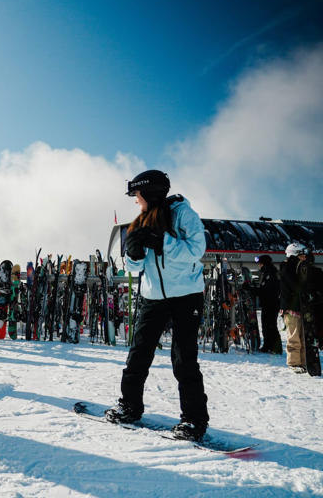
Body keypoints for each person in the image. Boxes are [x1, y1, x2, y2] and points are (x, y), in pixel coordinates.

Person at [106, 170, 209, 442]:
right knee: (138, 352)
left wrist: (162, 241)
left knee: (184, 358)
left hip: (187, 295)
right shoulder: (139, 222)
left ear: (149, 194)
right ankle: (129, 406)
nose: (135, 201)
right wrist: (135, 254)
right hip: (153, 296)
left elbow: (196, 250)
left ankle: (193, 420)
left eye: (137, 195)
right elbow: (133, 267)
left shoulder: (182, 214)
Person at [298, 249, 323, 358]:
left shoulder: (317, 272)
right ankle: (314, 346)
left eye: (303, 257)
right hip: (306, 305)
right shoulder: (299, 272)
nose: (301, 259)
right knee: (309, 329)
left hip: (318, 304)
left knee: (319, 328)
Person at [279, 243, 308, 373]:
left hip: (299, 307)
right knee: (294, 336)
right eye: (301, 254)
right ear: (295, 254)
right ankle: (294, 362)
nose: (304, 257)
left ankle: (303, 361)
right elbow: (296, 286)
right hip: (291, 308)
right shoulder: (288, 268)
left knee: (302, 337)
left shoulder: (298, 267)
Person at [254, 255, 282, 354]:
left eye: (260, 263)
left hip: (271, 303)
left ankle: (276, 348)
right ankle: (268, 346)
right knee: (266, 325)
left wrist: (253, 290)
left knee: (271, 325)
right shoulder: (268, 272)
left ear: (264, 263)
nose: (259, 265)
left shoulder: (270, 273)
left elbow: (265, 290)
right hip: (268, 303)